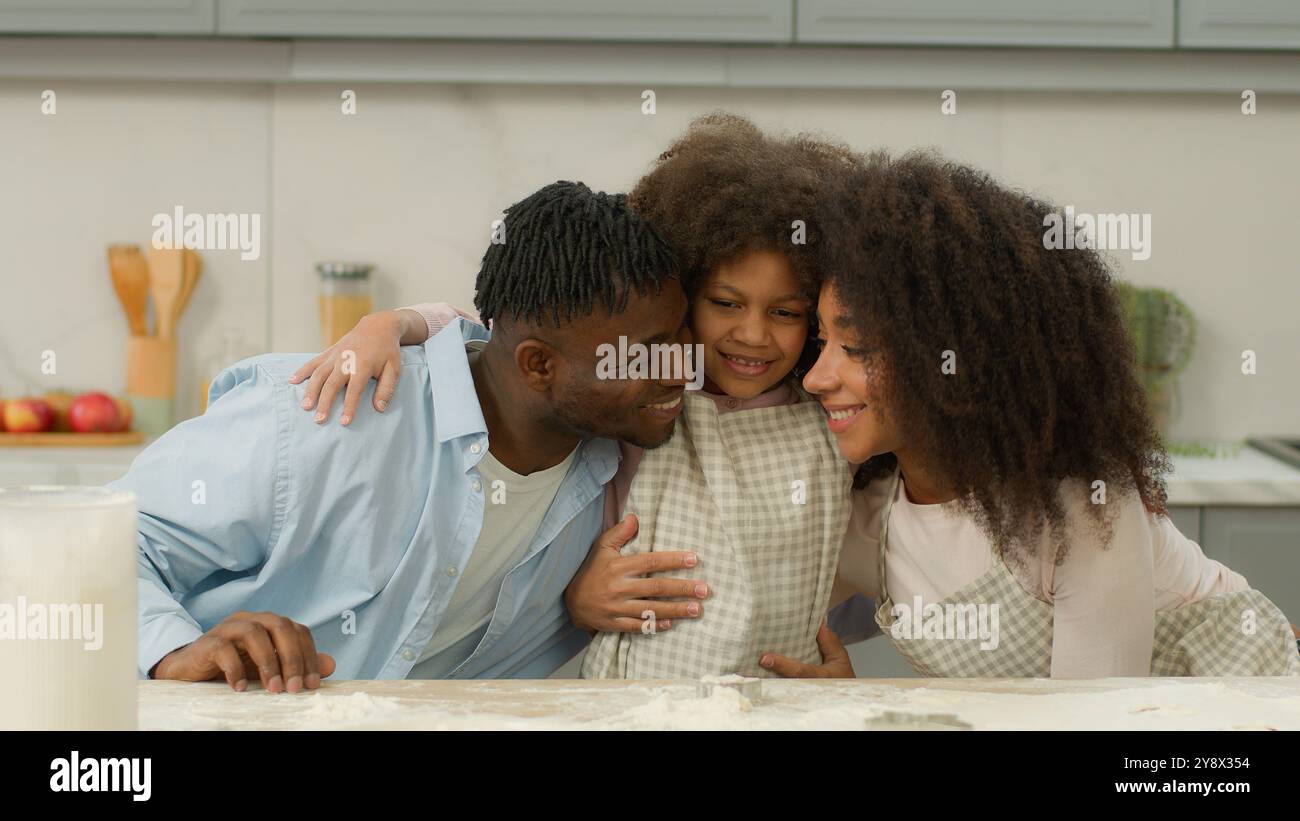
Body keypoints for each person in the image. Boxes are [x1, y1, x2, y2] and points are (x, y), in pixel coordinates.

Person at [291, 114, 865, 678]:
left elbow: (852, 567)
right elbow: (503, 337)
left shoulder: (824, 408)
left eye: (787, 313)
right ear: (682, 297)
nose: (754, 334)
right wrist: (390, 323)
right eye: (724, 303)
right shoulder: (642, 391)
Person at [111, 181, 695, 691]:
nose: (680, 370)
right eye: (642, 355)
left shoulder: (629, 456)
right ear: (539, 366)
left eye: (680, 336)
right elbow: (102, 543)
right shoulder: (321, 418)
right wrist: (170, 651)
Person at [793, 151, 1300, 677]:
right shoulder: (872, 519)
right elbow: (759, 613)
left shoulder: (1082, 507)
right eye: (822, 341)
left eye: (856, 347)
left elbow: (1094, 724)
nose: (816, 378)